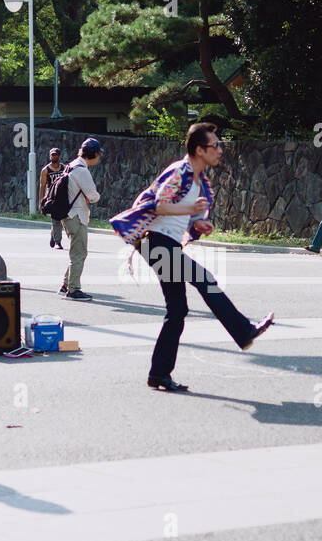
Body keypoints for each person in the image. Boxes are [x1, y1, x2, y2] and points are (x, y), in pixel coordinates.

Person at [111, 122, 275, 391]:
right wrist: (188, 209)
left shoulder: (200, 183)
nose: (220, 150)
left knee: (177, 311)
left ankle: (159, 374)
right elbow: (159, 205)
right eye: (215, 145)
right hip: (155, 244)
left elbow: (177, 213)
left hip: (168, 244)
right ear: (199, 150)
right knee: (204, 278)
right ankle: (243, 331)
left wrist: (195, 224)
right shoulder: (179, 171)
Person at [60, 138, 103, 300]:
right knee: (79, 253)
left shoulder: (71, 165)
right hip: (77, 215)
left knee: (76, 252)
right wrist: (96, 196)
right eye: (99, 154)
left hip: (68, 214)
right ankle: (73, 289)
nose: (99, 158)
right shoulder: (82, 171)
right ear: (94, 154)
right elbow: (92, 195)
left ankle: (66, 285)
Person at [38, 147, 65, 249]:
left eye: (56, 154)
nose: (54, 156)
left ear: (59, 156)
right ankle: (58, 242)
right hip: (51, 197)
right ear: (50, 156)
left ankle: (54, 236)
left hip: (62, 196)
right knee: (55, 218)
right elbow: (42, 186)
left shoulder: (64, 168)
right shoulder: (45, 170)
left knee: (60, 218)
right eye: (53, 155)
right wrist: (41, 202)